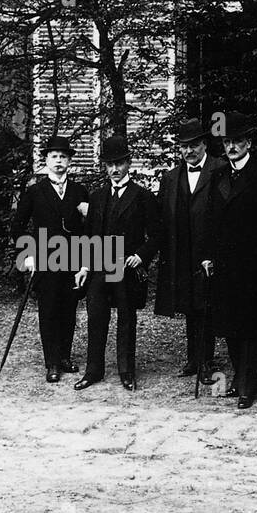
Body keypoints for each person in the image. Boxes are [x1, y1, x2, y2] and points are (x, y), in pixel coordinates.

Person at [202, 112, 257, 410]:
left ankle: (248, 385)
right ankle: (238, 375)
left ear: (248, 142)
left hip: (253, 265)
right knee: (229, 323)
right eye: (227, 142)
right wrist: (208, 255)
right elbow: (210, 220)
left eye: (237, 141)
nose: (232, 147)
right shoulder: (219, 176)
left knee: (250, 326)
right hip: (225, 264)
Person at [73, 136, 160, 391]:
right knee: (96, 318)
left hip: (126, 269)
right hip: (99, 268)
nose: (115, 169)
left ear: (129, 163)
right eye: (110, 164)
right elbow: (88, 238)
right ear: (105, 166)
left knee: (126, 319)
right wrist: (85, 267)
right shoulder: (98, 197)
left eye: (119, 163)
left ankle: (126, 371)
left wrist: (141, 256)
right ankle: (94, 371)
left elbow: (157, 235)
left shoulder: (142, 196)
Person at [11, 136, 89, 383]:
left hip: (72, 259)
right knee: (49, 310)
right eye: (54, 157)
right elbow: (17, 227)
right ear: (46, 161)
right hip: (45, 260)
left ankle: (65, 356)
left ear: (69, 162)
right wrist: (28, 255)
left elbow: (89, 230)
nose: (58, 161)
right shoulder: (35, 192)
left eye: (63, 157)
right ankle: (52, 362)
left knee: (69, 308)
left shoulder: (79, 191)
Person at [154, 117, 226, 383]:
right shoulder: (171, 177)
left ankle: (207, 361)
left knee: (206, 305)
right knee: (188, 306)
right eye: (183, 146)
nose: (188, 151)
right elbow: (162, 216)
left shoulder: (220, 169)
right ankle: (192, 359)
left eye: (194, 145)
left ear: (204, 144)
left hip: (209, 251)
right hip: (181, 251)